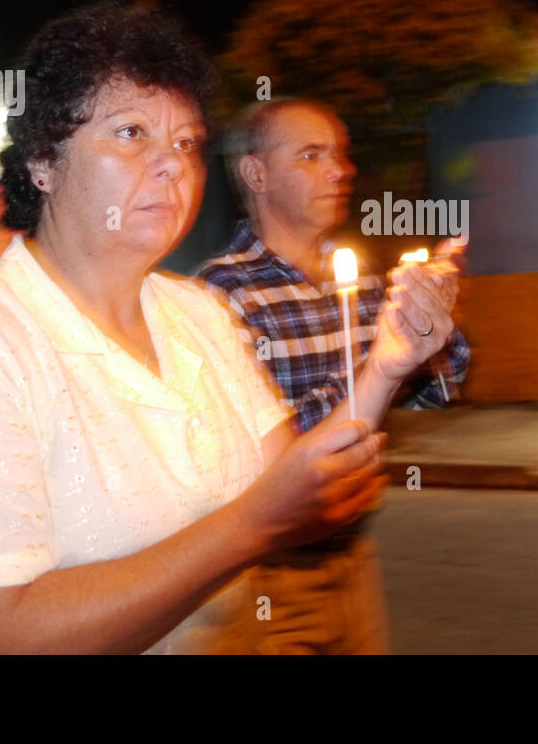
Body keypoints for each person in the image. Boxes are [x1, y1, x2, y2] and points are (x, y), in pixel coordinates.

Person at [0, 0, 459, 654]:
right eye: (130, 133)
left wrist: (385, 364)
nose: (173, 162)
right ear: (43, 162)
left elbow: (288, 481)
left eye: (186, 143)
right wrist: (247, 529)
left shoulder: (196, 312)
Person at [199, 97, 470, 654]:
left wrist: (436, 318)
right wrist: (378, 372)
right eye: (311, 154)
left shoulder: (359, 278)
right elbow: (269, 454)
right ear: (256, 174)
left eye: (340, 154)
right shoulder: (218, 295)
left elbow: (437, 392)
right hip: (270, 576)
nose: (339, 170)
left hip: (356, 557)